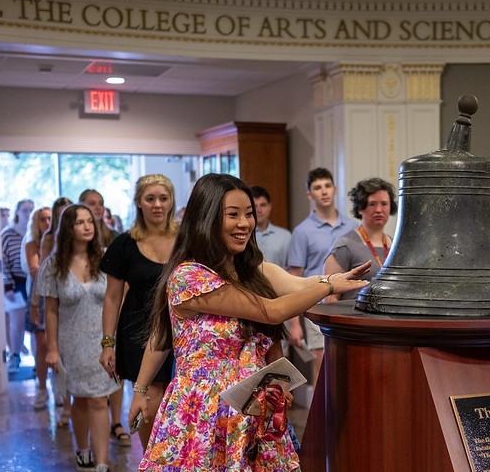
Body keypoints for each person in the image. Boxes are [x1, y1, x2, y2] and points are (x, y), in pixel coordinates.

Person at [127, 174, 369, 471]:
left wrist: (332, 279)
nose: (245, 223)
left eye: (248, 214)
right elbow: (270, 311)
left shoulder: (252, 270)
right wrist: (140, 391)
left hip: (255, 412)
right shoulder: (188, 276)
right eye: (233, 215)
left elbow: (299, 285)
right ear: (207, 218)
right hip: (204, 415)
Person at [99, 174, 178, 449]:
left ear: (171, 202)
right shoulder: (124, 244)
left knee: (179, 399)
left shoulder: (186, 240)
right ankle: (152, 459)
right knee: (151, 401)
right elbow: (111, 297)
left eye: (163, 198)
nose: (157, 204)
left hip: (180, 327)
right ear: (139, 203)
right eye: (150, 198)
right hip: (138, 330)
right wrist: (108, 343)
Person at [39, 204, 119, 472]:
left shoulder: (106, 259)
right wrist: (52, 348)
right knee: (80, 399)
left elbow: (118, 298)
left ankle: (102, 463)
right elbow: (50, 310)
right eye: (80, 222)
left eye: (90, 222)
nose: (87, 226)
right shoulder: (54, 265)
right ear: (68, 229)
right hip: (71, 342)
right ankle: (82, 449)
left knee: (99, 399)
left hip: (102, 341)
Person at [287, 168, 357, 383]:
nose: (324, 191)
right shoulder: (302, 231)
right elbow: (294, 278)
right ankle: (322, 414)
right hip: (317, 304)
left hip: (349, 304)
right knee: (323, 360)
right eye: (318, 188)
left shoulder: (353, 227)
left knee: (350, 360)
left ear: (335, 189)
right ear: (310, 195)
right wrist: (295, 324)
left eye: (327, 186)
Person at [79, 188, 125, 440]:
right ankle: (89, 425)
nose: (97, 208)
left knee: (114, 370)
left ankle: (116, 421)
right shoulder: (76, 239)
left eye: (101, 203)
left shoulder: (114, 237)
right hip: (84, 313)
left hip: (110, 307)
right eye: (91, 203)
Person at [324, 177, 397, 301]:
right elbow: (329, 298)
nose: (379, 210)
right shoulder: (344, 246)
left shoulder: (396, 246)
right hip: (353, 318)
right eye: (372, 204)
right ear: (360, 208)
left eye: (384, 204)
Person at [40, 196, 74, 426]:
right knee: (61, 361)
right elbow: (43, 274)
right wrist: (35, 305)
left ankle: (74, 407)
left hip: (77, 307)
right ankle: (66, 406)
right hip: (57, 299)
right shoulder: (50, 238)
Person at [20, 206, 52, 409]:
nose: (47, 223)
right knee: (42, 345)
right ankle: (42, 388)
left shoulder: (59, 243)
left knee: (58, 345)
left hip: (57, 294)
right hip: (38, 296)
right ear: (36, 222)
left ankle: (60, 391)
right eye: (43, 219)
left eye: (50, 219)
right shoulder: (33, 244)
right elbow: (35, 271)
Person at [1, 199, 34, 373]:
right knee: (17, 322)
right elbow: (3, 261)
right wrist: (8, 286)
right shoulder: (8, 233)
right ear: (18, 212)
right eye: (25, 210)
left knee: (34, 322)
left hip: (32, 280)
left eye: (31, 210)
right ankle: (14, 355)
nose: (28, 213)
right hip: (15, 282)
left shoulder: (33, 233)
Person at [252, 185, 292, 270]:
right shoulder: (243, 235)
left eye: (263, 205)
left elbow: (291, 269)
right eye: (254, 206)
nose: (259, 210)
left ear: (270, 207)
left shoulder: (285, 236)